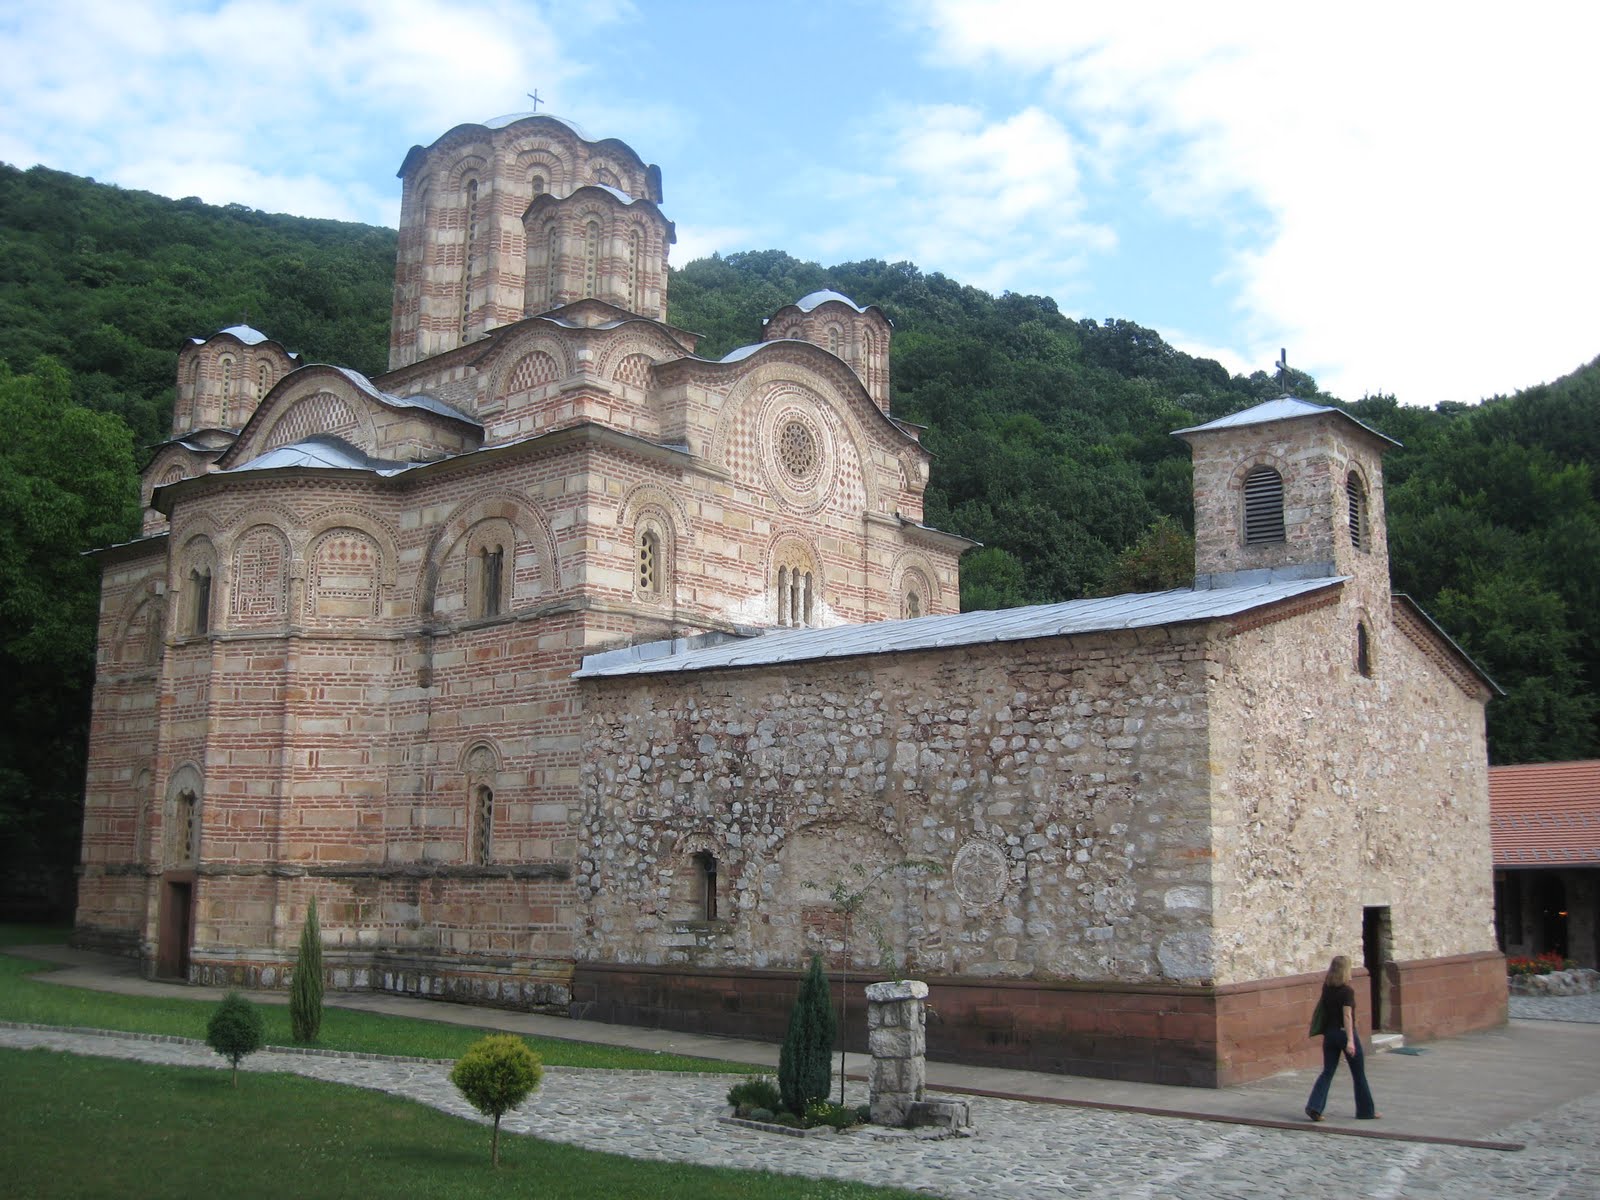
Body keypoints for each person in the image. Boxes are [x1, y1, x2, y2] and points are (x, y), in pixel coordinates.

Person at [1304, 954, 1380, 1121]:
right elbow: (1347, 1016)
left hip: (1329, 1034)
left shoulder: (1327, 987)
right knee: (1358, 1073)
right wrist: (1351, 1041)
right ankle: (1366, 1111)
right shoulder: (1347, 991)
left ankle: (1314, 1106)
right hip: (1344, 1034)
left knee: (1328, 1071)